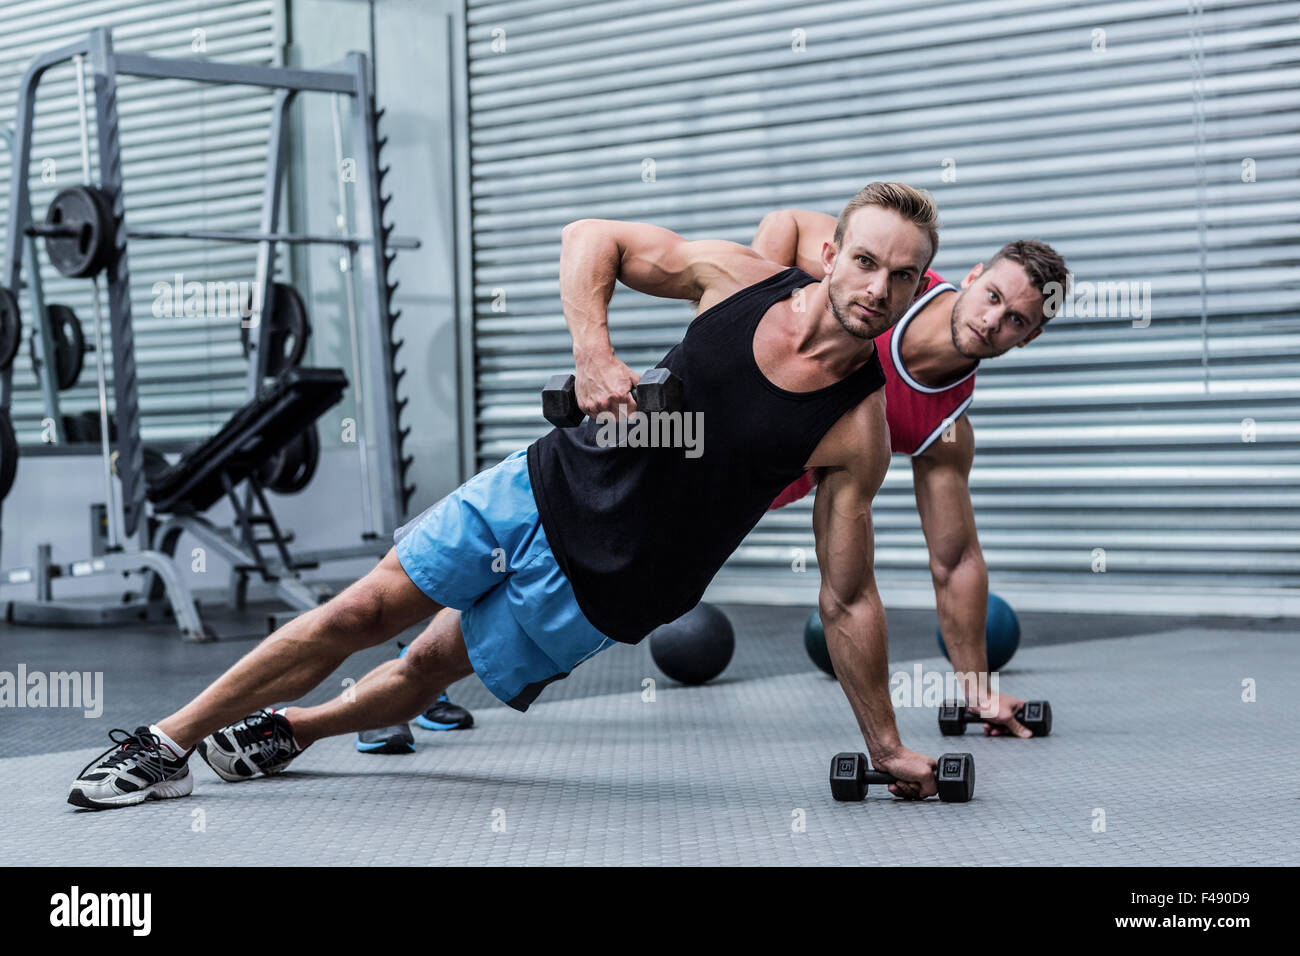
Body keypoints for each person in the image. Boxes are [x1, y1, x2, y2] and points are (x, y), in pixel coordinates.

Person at [69, 182, 947, 809]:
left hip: (617, 583)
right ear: (831, 253)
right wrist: (595, 353)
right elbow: (589, 236)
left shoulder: (855, 429)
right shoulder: (737, 277)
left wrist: (887, 746)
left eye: (901, 276)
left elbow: (847, 595)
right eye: (866, 260)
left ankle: (297, 729)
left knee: (425, 669)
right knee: (360, 610)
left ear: (919, 289)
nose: (877, 288)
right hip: (546, 484)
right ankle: (166, 743)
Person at [753, 209, 1067, 734]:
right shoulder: (893, 284)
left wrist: (977, 690)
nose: (993, 322)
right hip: (706, 420)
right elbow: (783, 224)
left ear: (1028, 339)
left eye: (1016, 320)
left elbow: (955, 559)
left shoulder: (944, 429)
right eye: (993, 296)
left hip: (763, 481)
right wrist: (740, 330)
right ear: (972, 278)